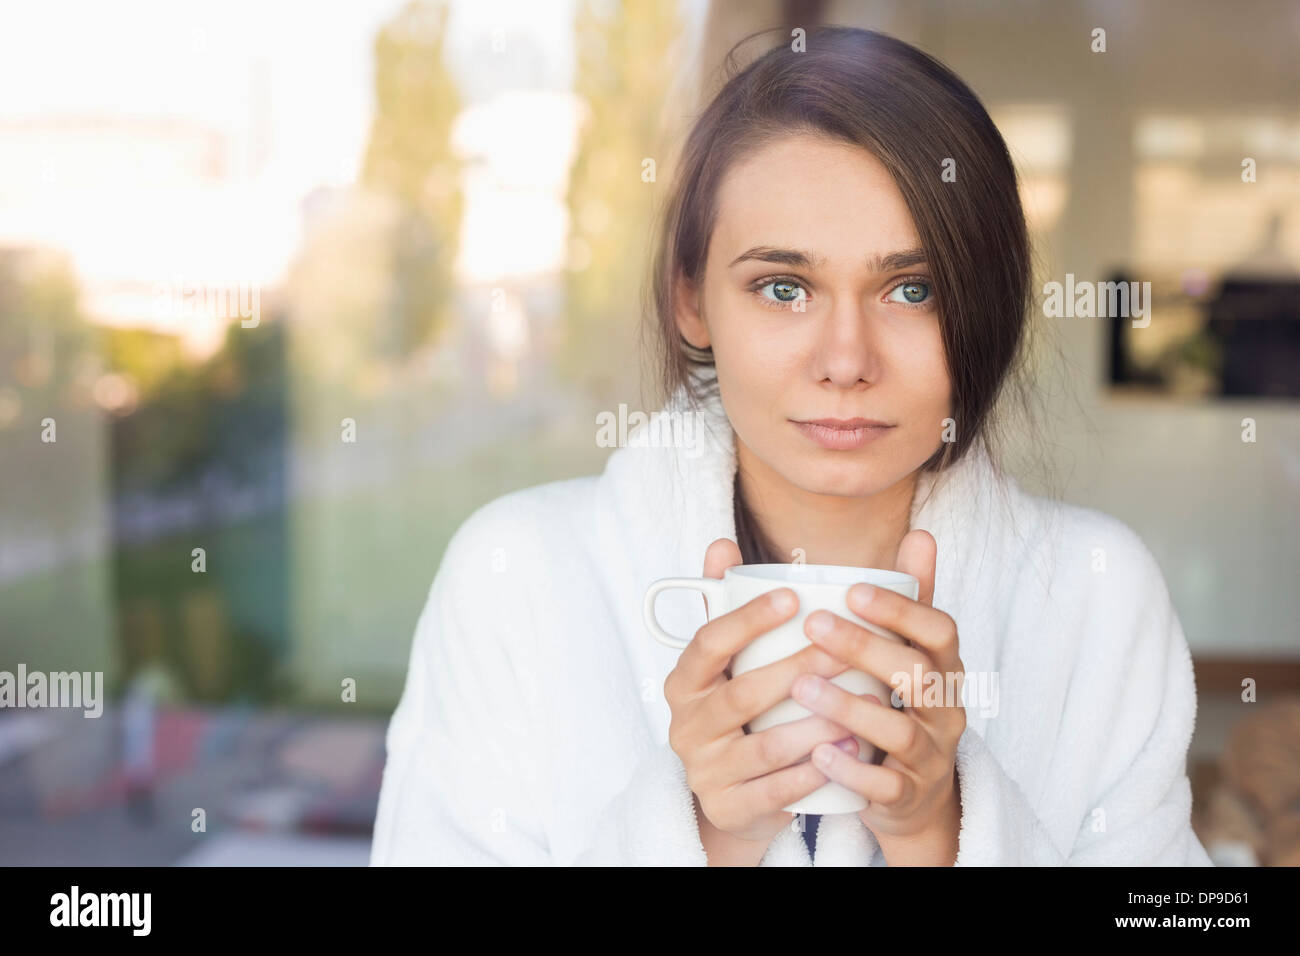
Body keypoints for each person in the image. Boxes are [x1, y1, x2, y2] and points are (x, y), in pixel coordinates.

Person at [370, 25, 1214, 867]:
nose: (845, 360)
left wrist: (941, 834)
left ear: (985, 308)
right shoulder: (516, 577)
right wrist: (703, 836)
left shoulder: (1098, 596)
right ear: (692, 300)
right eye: (783, 287)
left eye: (911, 289)